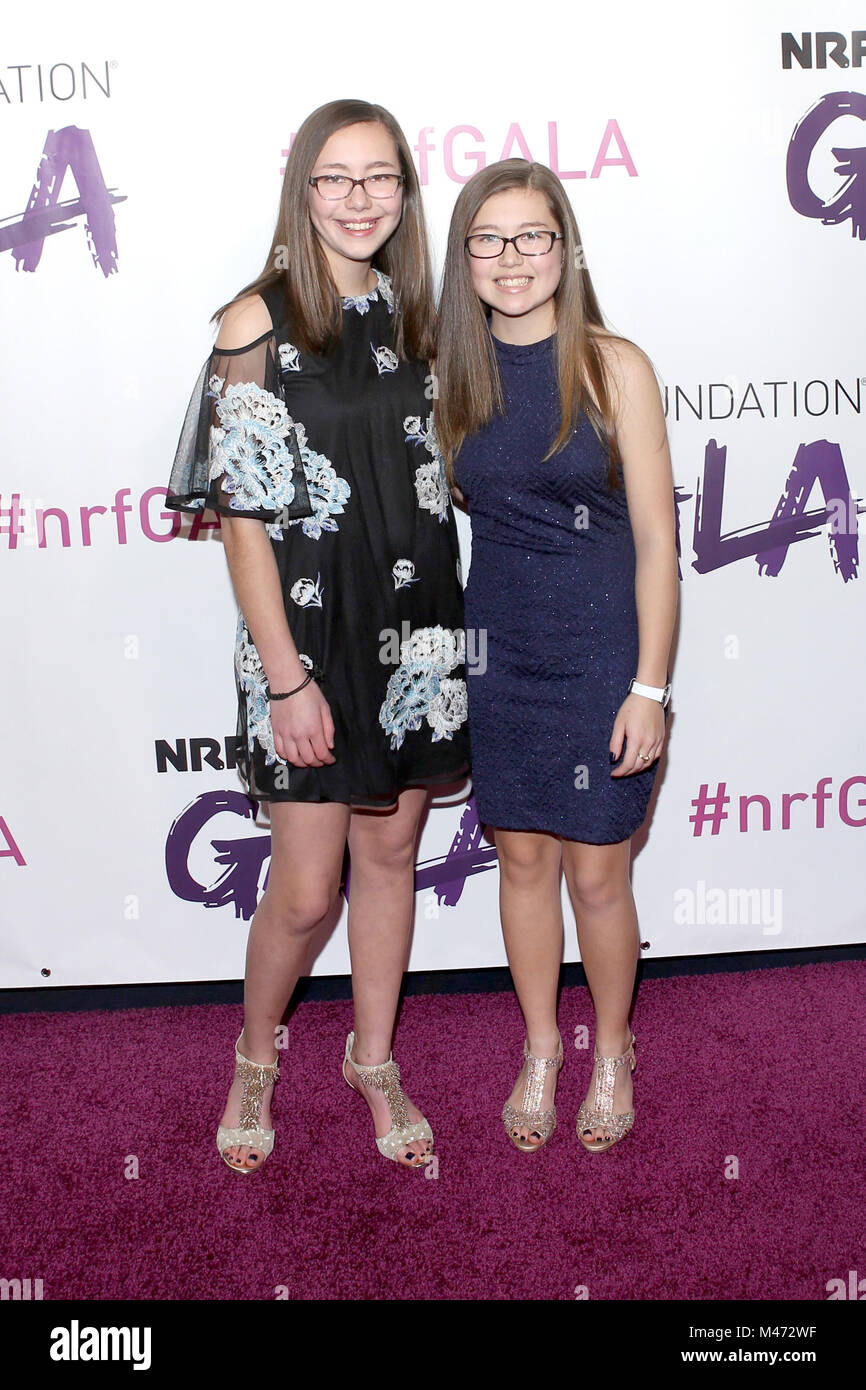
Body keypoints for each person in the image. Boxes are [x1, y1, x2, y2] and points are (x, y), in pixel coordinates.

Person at [166, 99, 469, 1173]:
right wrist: (286, 681)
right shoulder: (255, 323)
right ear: (301, 190)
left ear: (402, 192)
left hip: (417, 631)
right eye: (334, 178)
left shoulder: (418, 315)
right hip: (302, 640)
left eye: (378, 177)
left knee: (390, 853)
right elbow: (240, 522)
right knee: (304, 889)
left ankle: (372, 1058)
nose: (357, 198)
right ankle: (257, 1055)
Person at [434, 159, 678, 1154]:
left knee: (597, 875)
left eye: (531, 235)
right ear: (465, 258)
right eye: (487, 239)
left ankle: (611, 1048)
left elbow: (659, 542)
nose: (511, 258)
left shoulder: (613, 365)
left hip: (599, 654)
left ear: (563, 248)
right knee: (521, 859)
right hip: (499, 654)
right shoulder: (451, 373)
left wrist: (649, 686)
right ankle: (540, 1048)